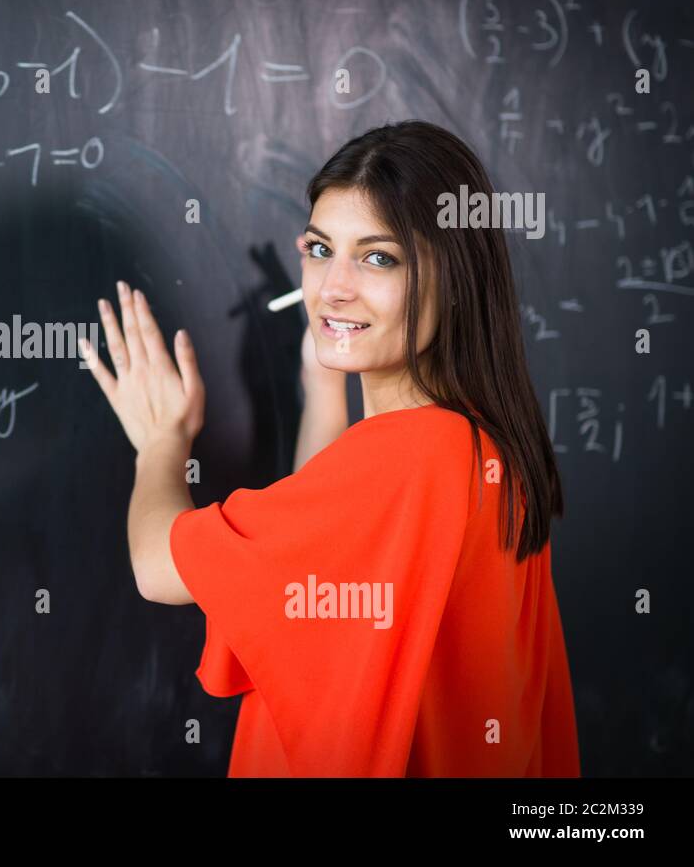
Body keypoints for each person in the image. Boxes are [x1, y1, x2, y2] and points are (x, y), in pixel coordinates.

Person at [78, 120, 581, 777]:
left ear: (453, 277)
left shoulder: (407, 462)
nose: (333, 287)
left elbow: (156, 567)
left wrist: (161, 445)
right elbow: (324, 553)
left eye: (378, 258)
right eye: (320, 250)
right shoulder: (486, 446)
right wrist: (323, 384)